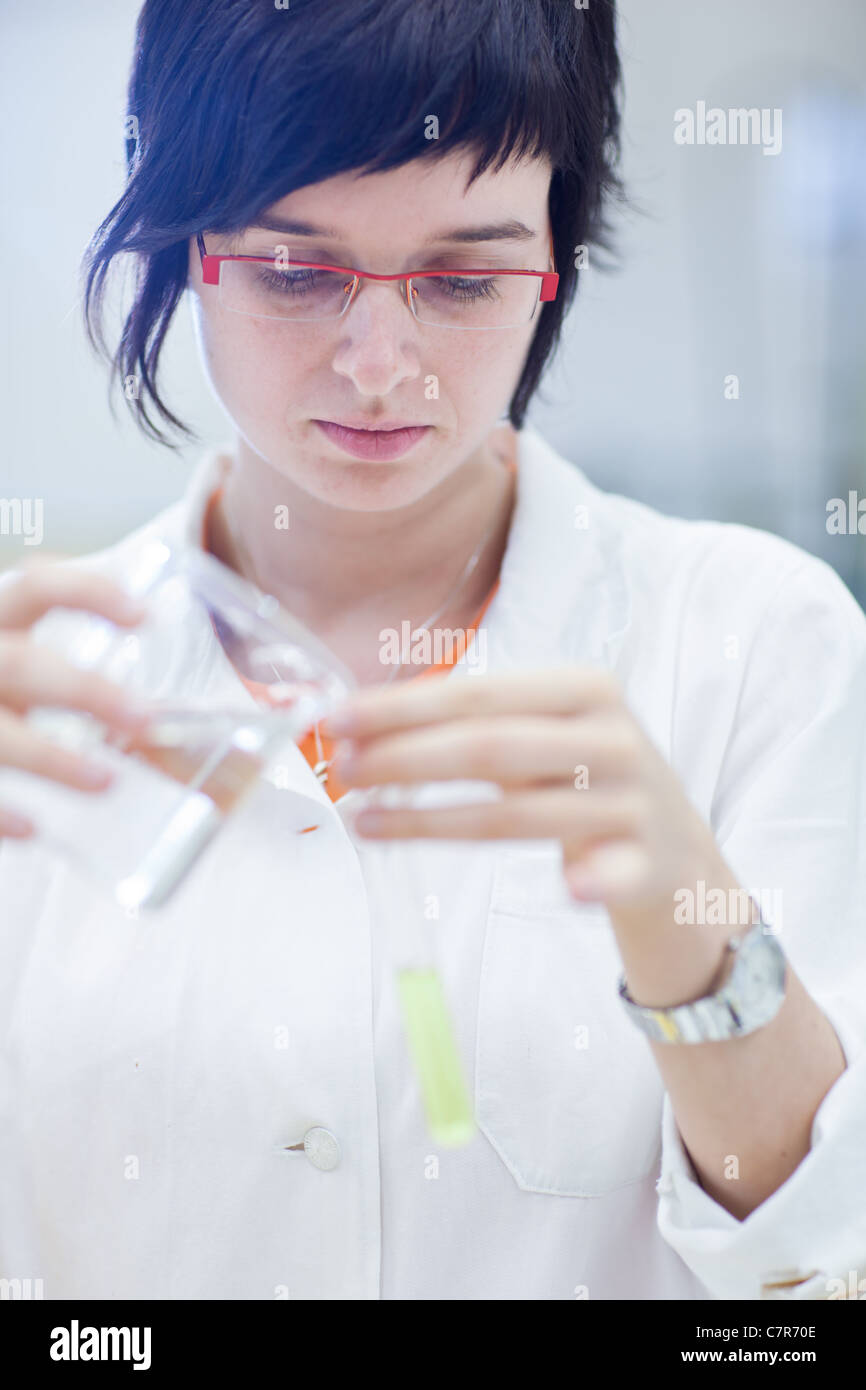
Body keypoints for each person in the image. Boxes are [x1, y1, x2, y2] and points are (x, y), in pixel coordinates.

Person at [0, 0, 864, 1302]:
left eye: (461, 278)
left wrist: (691, 923)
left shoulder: (757, 652)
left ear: (556, 256)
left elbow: (815, 1269)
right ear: (183, 246)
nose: (379, 364)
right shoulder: (44, 701)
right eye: (297, 271)